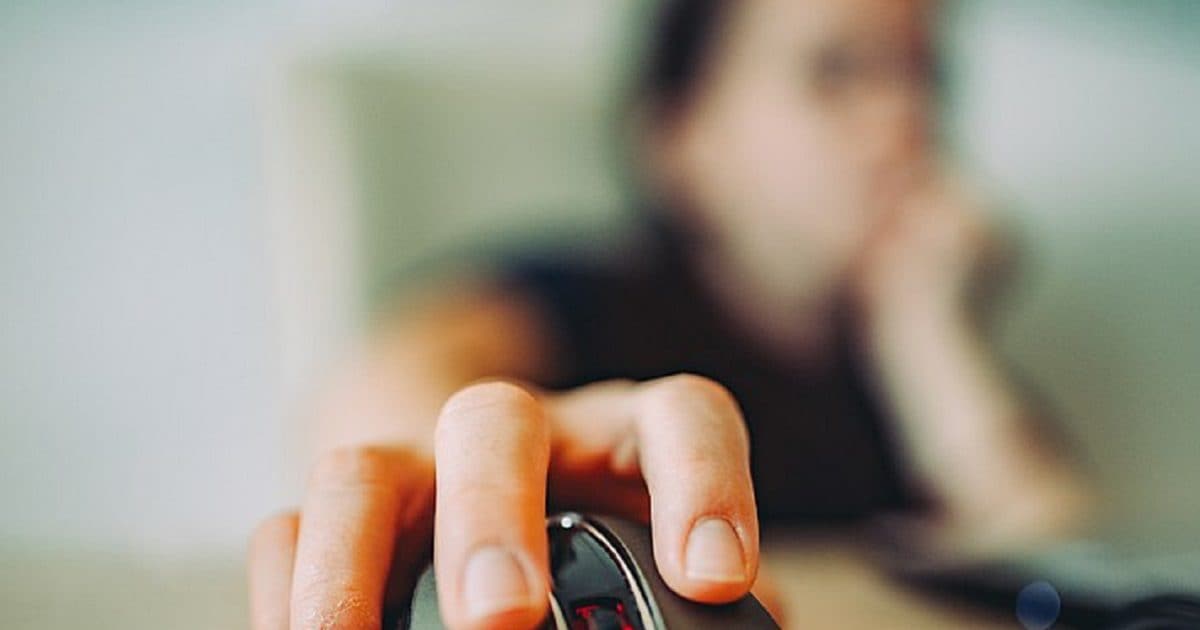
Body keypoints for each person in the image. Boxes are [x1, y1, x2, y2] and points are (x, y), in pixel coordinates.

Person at [248, 1, 1091, 628]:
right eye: (837, 72)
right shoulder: (591, 292)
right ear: (685, 140)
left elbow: (1066, 557)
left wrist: (928, 335)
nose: (907, 119)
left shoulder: (896, 356)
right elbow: (379, 385)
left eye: (924, 76)